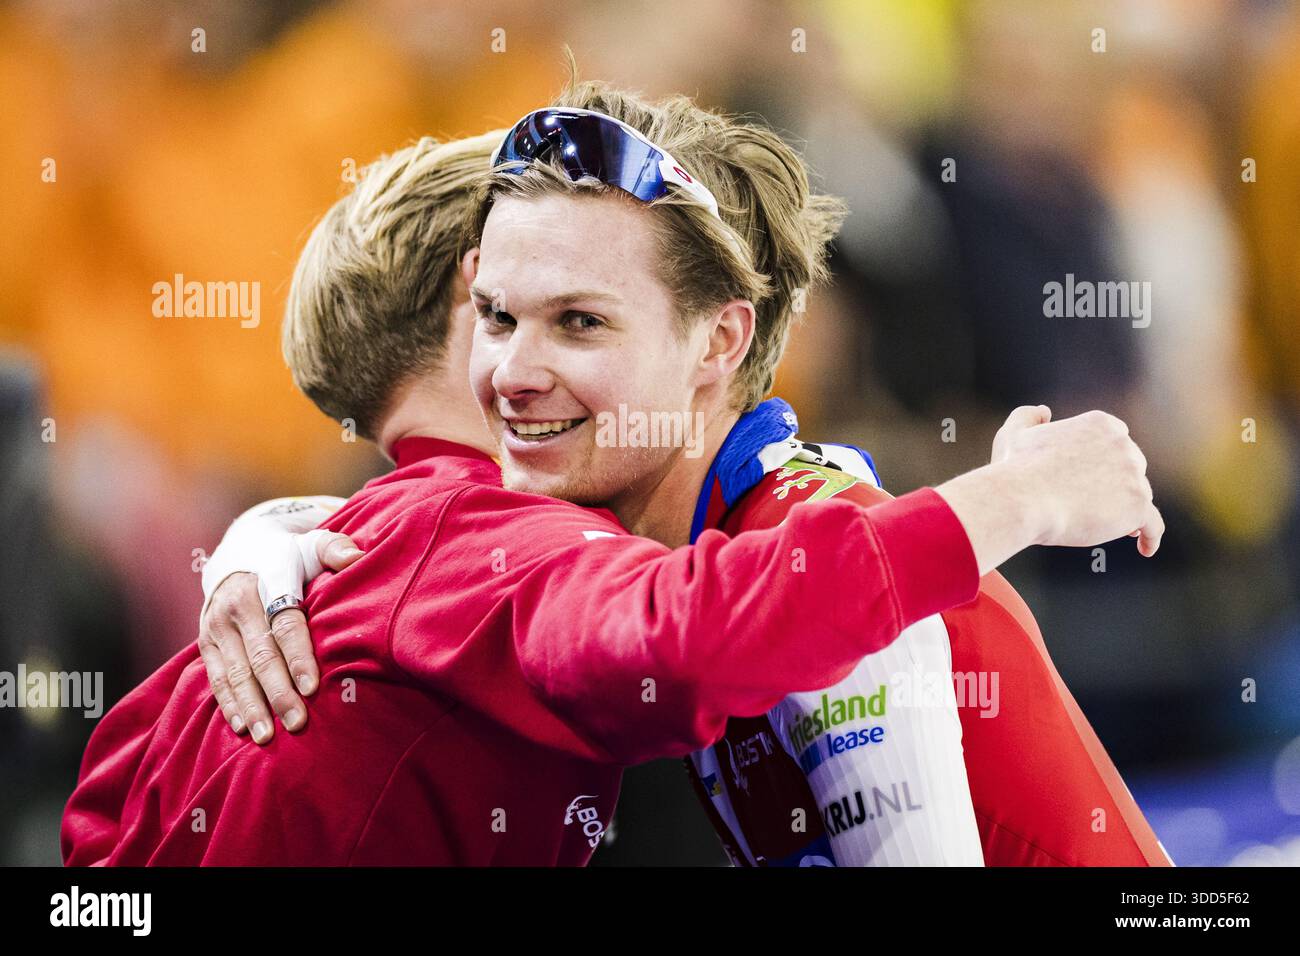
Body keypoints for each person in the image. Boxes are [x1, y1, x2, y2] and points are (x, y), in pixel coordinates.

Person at [187, 83, 1166, 865]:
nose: (513, 374)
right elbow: (445, 518)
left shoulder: (834, 580)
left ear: (717, 342)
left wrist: (1020, 495)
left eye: (580, 321)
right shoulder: (708, 539)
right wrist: (270, 530)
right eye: (495, 317)